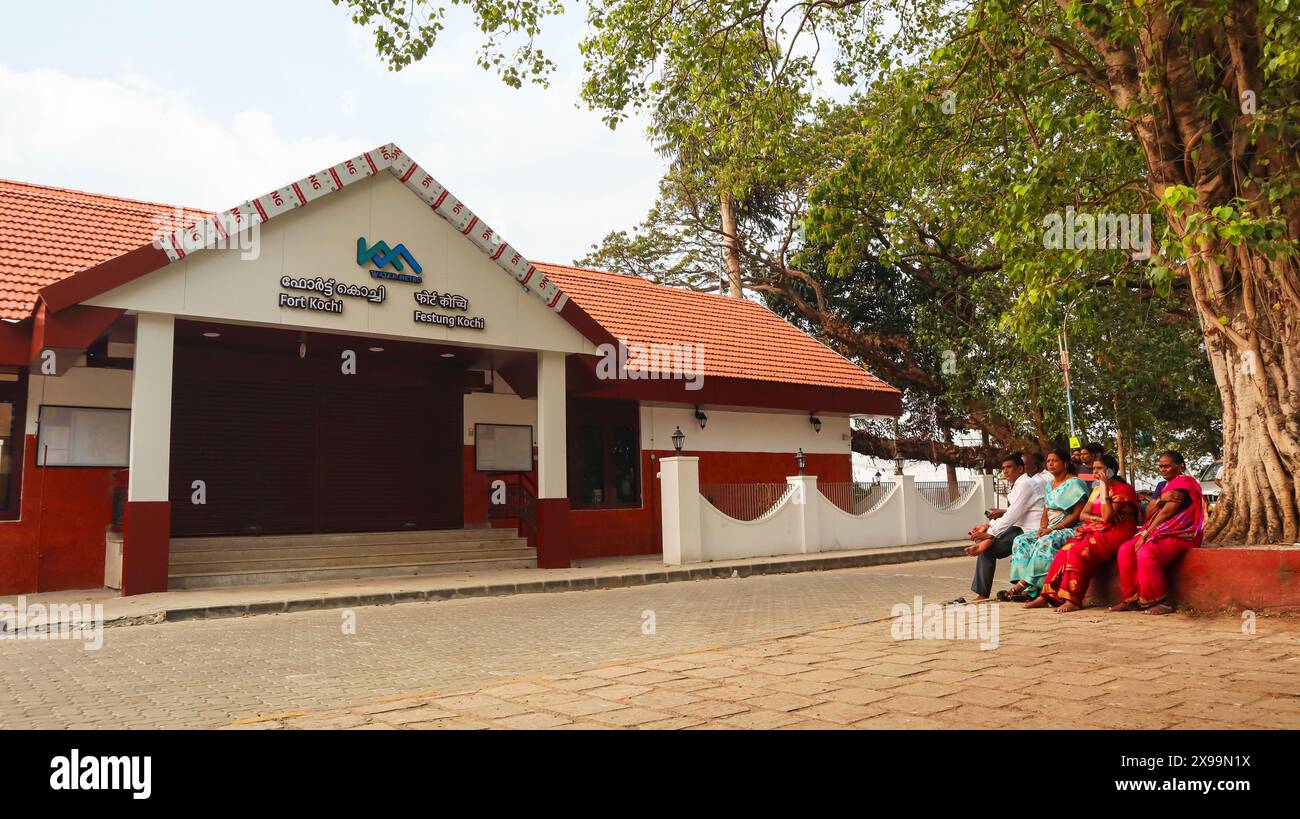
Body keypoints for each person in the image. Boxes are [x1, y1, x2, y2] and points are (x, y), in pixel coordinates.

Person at [1039, 454, 1140, 611]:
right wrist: (1100, 518)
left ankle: (1073, 600)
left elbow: (1107, 515)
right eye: (1093, 468)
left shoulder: (1122, 490)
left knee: (1079, 551)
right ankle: (1047, 596)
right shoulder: (1096, 489)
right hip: (1096, 530)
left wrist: (1105, 487)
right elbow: (1083, 515)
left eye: (1099, 468)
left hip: (1118, 532)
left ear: (1111, 471)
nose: (1095, 471)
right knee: (1064, 551)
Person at [1111, 450, 1206, 615]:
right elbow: (1148, 513)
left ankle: (1160, 601)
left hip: (1182, 534)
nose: (1162, 469)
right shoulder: (1162, 486)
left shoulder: (1184, 484)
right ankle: (1132, 599)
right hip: (1158, 530)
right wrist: (1162, 499)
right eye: (1161, 466)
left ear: (1180, 466)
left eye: (1167, 466)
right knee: (1125, 549)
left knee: (1147, 551)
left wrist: (1145, 534)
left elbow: (1167, 512)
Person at [1002, 448, 1090, 603]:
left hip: (1070, 528)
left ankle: (1024, 586)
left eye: (1054, 460)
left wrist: (1052, 529)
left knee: (1046, 541)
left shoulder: (1075, 483)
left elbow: (1077, 515)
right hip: (1051, 527)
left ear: (1065, 463)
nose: (1050, 464)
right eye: (1048, 461)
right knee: (1021, 540)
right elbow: (1045, 513)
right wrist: (1042, 529)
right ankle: (1030, 591)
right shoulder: (1050, 485)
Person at [963, 454, 1045, 602]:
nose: (1005, 471)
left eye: (1009, 467)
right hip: (1018, 526)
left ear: (1020, 469)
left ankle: (983, 593)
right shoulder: (1016, 485)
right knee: (985, 546)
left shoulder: (1026, 483)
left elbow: (1012, 514)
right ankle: (982, 592)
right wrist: (986, 528)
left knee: (986, 547)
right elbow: (1010, 514)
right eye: (1003, 468)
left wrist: (990, 535)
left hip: (1030, 529)